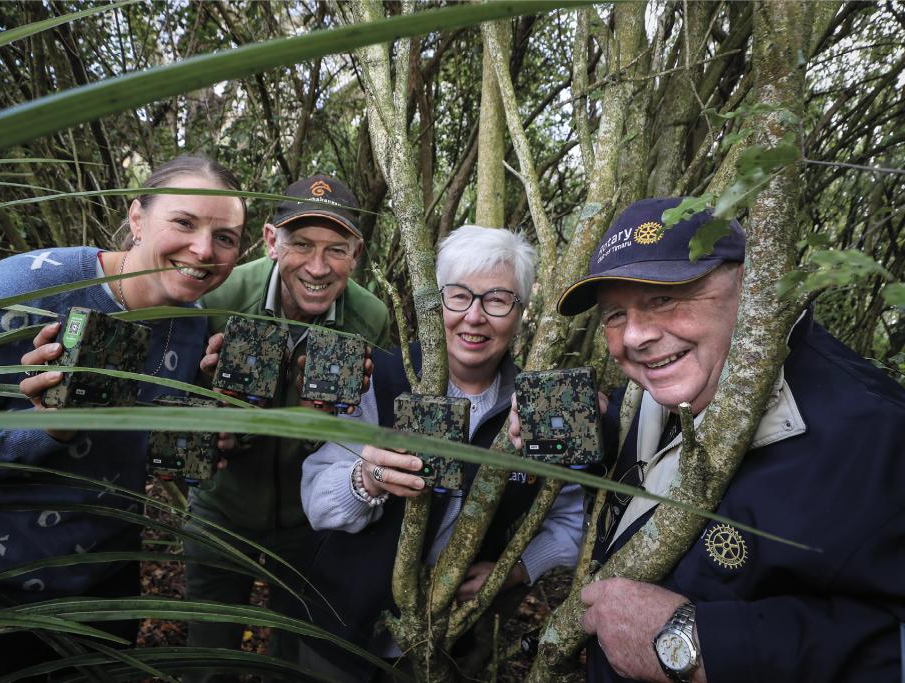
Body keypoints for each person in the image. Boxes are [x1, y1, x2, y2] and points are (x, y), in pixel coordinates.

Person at [0, 156, 246, 683]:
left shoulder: (191, 322)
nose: (203, 250)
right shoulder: (24, 290)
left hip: (102, 594)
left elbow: (136, 450)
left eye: (226, 237)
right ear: (138, 218)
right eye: (185, 223)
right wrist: (40, 431)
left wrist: (209, 429)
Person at [522, 197, 905, 683]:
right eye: (614, 314)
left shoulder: (873, 436)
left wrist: (696, 644)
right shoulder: (672, 390)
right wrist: (587, 421)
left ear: (750, 286)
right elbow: (654, 446)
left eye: (664, 298)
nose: (636, 336)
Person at [299, 225, 586, 681]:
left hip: (444, 644)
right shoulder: (383, 377)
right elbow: (317, 499)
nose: (474, 317)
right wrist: (367, 477)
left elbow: (572, 520)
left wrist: (517, 570)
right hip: (341, 627)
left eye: (496, 300)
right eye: (458, 296)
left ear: (521, 312)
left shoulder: (541, 407)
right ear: (435, 303)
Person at [185, 174, 391, 681]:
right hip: (221, 507)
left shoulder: (369, 318)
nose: (318, 267)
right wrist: (207, 415)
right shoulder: (220, 297)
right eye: (301, 244)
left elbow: (360, 435)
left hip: (307, 524)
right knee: (207, 655)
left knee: (294, 658)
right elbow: (170, 402)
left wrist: (326, 420)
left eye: (335, 250)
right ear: (272, 241)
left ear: (356, 253)